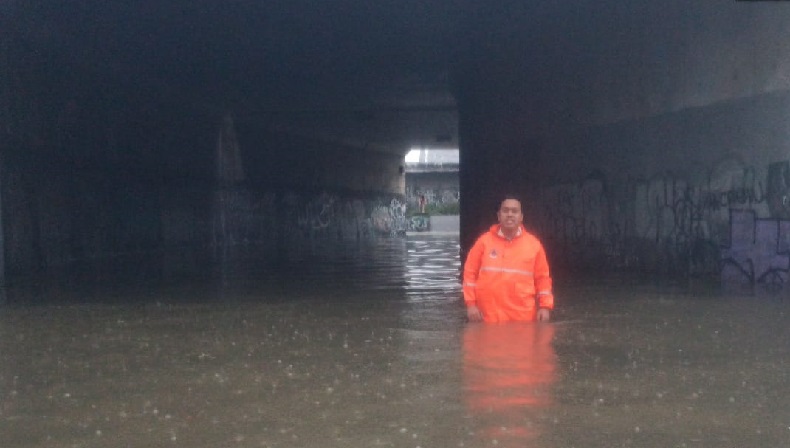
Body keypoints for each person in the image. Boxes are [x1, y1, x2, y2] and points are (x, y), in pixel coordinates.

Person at [463, 196, 554, 323]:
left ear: (521, 217)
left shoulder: (534, 245)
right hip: (487, 317)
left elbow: (543, 279)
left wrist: (545, 307)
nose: (510, 214)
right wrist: (471, 305)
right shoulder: (483, 242)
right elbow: (469, 274)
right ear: (499, 216)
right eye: (505, 211)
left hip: (522, 319)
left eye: (514, 211)